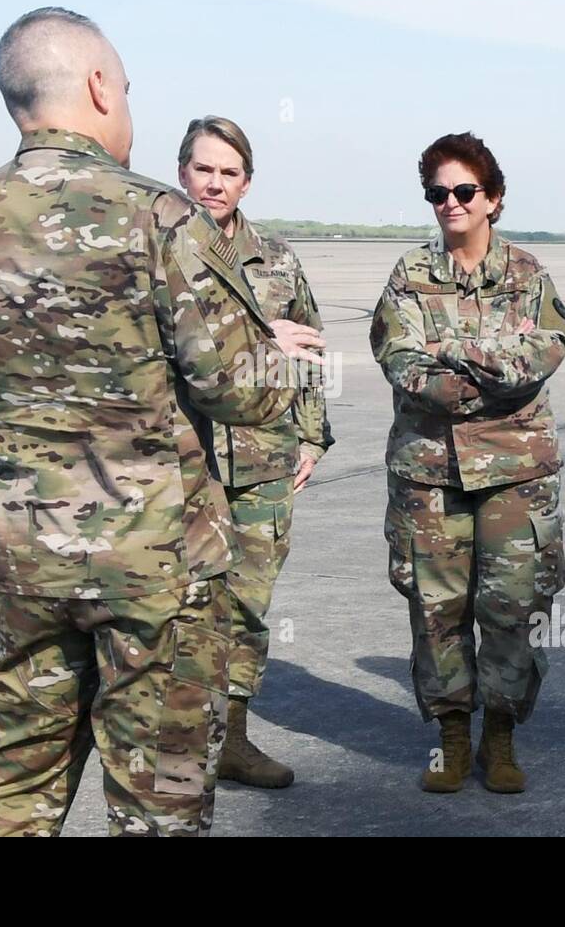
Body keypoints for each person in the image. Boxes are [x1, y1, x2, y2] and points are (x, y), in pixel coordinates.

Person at [0, 8, 295, 837]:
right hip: (159, 575)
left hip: (27, 564)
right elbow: (240, 392)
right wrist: (270, 344)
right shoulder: (161, 217)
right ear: (97, 86)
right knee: (160, 801)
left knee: (9, 783)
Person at [370, 132, 565, 794]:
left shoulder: (527, 275)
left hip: (516, 476)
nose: (450, 204)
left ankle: (502, 737)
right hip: (430, 474)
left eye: (464, 191)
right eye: (438, 193)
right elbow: (400, 359)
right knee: (436, 611)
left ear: (492, 198)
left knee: (514, 610)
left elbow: (547, 349)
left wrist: (467, 364)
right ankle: (453, 737)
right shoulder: (410, 275)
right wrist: (475, 382)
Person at [175, 116, 333, 789]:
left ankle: (232, 738)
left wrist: (313, 434)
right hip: (186, 460)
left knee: (247, 604)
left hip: (264, 455)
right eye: (203, 168)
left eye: (228, 172)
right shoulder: (163, 251)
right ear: (183, 171)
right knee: (183, 606)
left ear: (247, 181)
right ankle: (179, 747)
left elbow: (313, 346)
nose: (214, 183)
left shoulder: (277, 257)